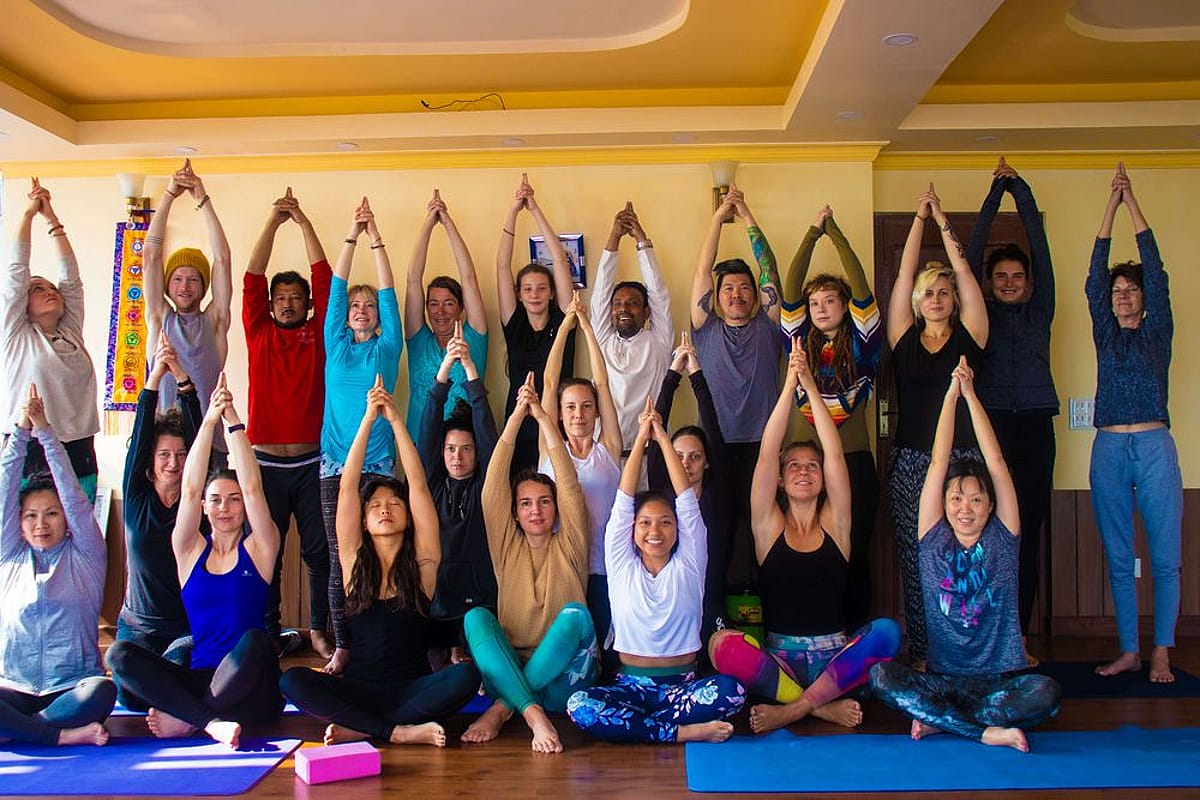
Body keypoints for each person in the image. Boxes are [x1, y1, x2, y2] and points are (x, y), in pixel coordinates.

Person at [870, 358, 1061, 752]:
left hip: (1000, 682)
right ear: (943, 504)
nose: (965, 508)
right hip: (944, 680)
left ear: (991, 506)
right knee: (880, 677)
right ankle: (985, 731)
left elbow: (996, 463)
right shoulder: (933, 540)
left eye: (976, 499)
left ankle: (945, 723)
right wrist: (949, 397)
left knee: (1047, 692)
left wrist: (971, 396)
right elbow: (938, 462)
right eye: (956, 498)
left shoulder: (1003, 540)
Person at [281, 378, 480, 747]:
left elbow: (419, 485)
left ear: (408, 516)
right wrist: (368, 421)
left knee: (465, 677)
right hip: (361, 689)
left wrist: (397, 422)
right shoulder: (354, 562)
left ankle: (365, 728)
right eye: (375, 505)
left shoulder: (423, 566)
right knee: (291, 680)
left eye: (394, 503)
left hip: (413, 690)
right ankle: (396, 731)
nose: (385, 508)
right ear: (364, 520)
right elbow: (346, 486)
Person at [710, 346, 899, 734]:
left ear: (823, 478)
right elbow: (766, 455)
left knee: (887, 633)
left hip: (836, 664)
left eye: (811, 467)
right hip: (779, 666)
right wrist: (788, 388)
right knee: (720, 646)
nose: (803, 471)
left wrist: (811, 388)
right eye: (793, 466)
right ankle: (819, 707)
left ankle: (795, 708)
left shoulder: (837, 524)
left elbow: (834, 453)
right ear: (780, 480)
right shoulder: (769, 526)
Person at [106, 375, 284, 749]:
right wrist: (206, 423)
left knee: (256, 642)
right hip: (204, 677)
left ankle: (190, 719)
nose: (225, 508)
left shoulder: (260, 548)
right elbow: (189, 487)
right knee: (119, 654)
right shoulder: (189, 550)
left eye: (234, 500)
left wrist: (231, 416)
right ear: (203, 507)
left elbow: (253, 485)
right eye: (216, 499)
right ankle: (207, 718)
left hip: (252, 688)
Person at [567, 398, 745, 744]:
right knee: (579, 705)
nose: (655, 530)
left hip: (683, 688)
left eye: (665, 523)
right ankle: (677, 732)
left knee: (733, 690)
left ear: (678, 529)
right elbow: (622, 502)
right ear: (632, 530)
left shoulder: (691, 564)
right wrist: (642, 441)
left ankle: (644, 729)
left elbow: (687, 503)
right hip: (630, 687)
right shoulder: (620, 563)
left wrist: (663, 438)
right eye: (645, 522)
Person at [460, 374, 596, 754]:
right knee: (475, 619)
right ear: (515, 513)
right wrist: (518, 415)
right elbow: (492, 491)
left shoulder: (571, 542)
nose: (535, 510)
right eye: (525, 503)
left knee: (575, 615)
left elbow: (568, 484)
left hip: (564, 682)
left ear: (556, 509)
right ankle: (531, 714)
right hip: (513, 668)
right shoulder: (506, 545)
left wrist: (543, 416)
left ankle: (505, 710)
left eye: (544, 501)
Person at [885, 183, 988, 665]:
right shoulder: (903, 338)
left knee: (965, 556)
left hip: (963, 463)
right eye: (929, 293)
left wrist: (942, 219)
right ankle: (925, 653)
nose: (936, 298)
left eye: (943, 292)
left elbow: (965, 271)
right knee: (917, 557)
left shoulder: (971, 335)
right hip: (911, 464)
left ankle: (967, 651)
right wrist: (918, 220)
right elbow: (904, 275)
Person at [1087, 163, 1181, 684]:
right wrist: (1108, 208)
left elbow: (1157, 269)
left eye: (1131, 290)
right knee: (1120, 556)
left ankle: (1162, 650)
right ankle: (1129, 649)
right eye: (1117, 290)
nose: (1122, 294)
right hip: (1108, 448)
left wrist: (1132, 204)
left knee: (1165, 556)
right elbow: (1092, 277)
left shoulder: (1157, 332)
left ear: (1144, 300)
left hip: (1153, 443)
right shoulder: (1106, 333)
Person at [965, 158, 1057, 663]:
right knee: (986, 530)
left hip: (1037, 427)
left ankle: (1018, 636)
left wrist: (1019, 190)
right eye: (1000, 276)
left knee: (1029, 530)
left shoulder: (1042, 310)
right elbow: (974, 253)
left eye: (1015, 276)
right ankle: (986, 635)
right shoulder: (981, 314)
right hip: (993, 427)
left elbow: (1040, 252)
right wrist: (992, 197)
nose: (1008, 282)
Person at [243, 187, 334, 664]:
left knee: (320, 554)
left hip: (312, 462)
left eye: (296, 298)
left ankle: (320, 629)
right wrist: (272, 222)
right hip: (262, 465)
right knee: (266, 553)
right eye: (281, 298)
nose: (287, 303)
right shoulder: (257, 330)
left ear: (307, 305)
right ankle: (267, 633)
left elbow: (326, 277)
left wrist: (301, 222)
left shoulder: (317, 332)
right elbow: (252, 276)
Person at [780, 205, 881, 631]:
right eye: (815, 303)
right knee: (811, 554)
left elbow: (861, 288)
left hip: (853, 464)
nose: (820, 309)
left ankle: (855, 637)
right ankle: (815, 633)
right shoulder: (799, 344)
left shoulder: (863, 344)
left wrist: (833, 231)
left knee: (853, 553)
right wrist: (810, 234)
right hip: (806, 467)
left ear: (844, 307)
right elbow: (788, 292)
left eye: (829, 301)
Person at [0, 384, 114, 746]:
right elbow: (5, 490)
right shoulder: (9, 555)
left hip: (71, 686)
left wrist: (46, 433)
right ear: (18, 522)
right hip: (14, 685)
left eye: (51, 514)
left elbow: (72, 493)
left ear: (66, 518)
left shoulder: (86, 554)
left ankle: (23, 729)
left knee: (102, 692)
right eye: (31, 516)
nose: (41, 524)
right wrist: (19, 432)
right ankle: (61, 736)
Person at [319, 197, 404, 675]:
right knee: (340, 557)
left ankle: (380, 642)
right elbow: (335, 287)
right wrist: (351, 235)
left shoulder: (387, 347)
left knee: (383, 555)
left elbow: (389, 290)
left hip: (378, 465)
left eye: (369, 307)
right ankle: (344, 644)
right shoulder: (335, 343)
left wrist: (377, 239)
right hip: (334, 462)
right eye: (356, 306)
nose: (362, 311)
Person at [689, 183, 782, 590]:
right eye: (728, 288)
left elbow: (770, 272)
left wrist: (745, 215)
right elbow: (700, 271)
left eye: (744, 287)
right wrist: (717, 216)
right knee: (716, 528)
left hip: (763, 445)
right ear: (718, 296)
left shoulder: (769, 327)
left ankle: (760, 612)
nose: (737, 294)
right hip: (715, 444)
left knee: (761, 529)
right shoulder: (705, 328)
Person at [115, 333, 201, 701]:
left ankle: (171, 694)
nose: (174, 463)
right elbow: (140, 431)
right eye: (164, 454)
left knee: (178, 667)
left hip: (184, 627)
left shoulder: (197, 500)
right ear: (150, 460)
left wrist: (180, 375)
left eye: (181, 455)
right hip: (137, 627)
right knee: (127, 695)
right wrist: (154, 377)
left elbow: (200, 432)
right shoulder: (136, 496)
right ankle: (172, 697)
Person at [540, 294, 623, 673]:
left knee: (604, 655)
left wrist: (587, 326)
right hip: (562, 567)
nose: (579, 413)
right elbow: (550, 379)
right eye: (570, 407)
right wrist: (566, 327)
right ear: (558, 413)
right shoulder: (549, 448)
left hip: (607, 570)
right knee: (567, 655)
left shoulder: (609, 448)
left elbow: (603, 383)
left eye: (586, 406)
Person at [3, 179, 99, 501]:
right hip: (28, 447)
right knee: (31, 537)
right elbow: (17, 272)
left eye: (51, 288)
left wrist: (53, 220)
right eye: (38, 289)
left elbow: (71, 279)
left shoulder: (70, 332)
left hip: (78, 447)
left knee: (79, 532)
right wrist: (30, 215)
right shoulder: (16, 335)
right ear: (22, 306)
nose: (51, 292)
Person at [648, 332, 732, 659]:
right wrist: (671, 374)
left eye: (695, 456)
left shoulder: (719, 496)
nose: (686, 464)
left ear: (708, 461)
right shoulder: (663, 497)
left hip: (711, 606)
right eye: (679, 456)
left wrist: (695, 372)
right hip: (670, 607)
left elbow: (710, 423)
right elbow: (657, 428)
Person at [417, 322, 500, 632]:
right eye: (451, 449)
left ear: (476, 453)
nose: (457, 456)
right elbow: (428, 428)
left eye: (466, 449)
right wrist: (445, 369)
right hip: (437, 607)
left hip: (481, 604)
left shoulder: (486, 488)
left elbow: (488, 434)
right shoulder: (433, 486)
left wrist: (468, 367)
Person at [495, 174, 577, 474]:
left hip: (558, 425)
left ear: (552, 292)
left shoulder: (565, 321)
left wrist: (535, 209)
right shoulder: (514, 322)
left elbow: (558, 259)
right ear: (519, 293)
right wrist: (515, 210)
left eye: (542, 288)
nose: (535, 295)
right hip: (517, 426)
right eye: (527, 289)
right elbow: (501, 265)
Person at [142, 159, 232, 423]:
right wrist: (169, 196)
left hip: (209, 445)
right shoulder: (160, 319)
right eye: (178, 278)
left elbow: (223, 258)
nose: (184, 286)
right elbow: (150, 255)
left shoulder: (215, 322)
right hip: (166, 444)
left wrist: (202, 199)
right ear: (167, 284)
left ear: (204, 286)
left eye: (193, 279)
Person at [404, 189, 488, 448]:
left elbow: (470, 279)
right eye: (433, 304)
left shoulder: (474, 336)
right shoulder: (419, 340)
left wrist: (448, 223)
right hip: (420, 444)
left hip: (464, 448)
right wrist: (429, 223)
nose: (440, 312)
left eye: (449, 303)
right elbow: (412, 281)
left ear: (461, 307)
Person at [589, 202, 673, 451]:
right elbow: (601, 292)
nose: (623, 309)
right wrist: (614, 237)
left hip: (648, 455)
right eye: (618, 304)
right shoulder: (602, 341)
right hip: (605, 454)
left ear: (647, 312)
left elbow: (658, 293)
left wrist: (641, 241)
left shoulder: (658, 341)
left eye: (633, 303)